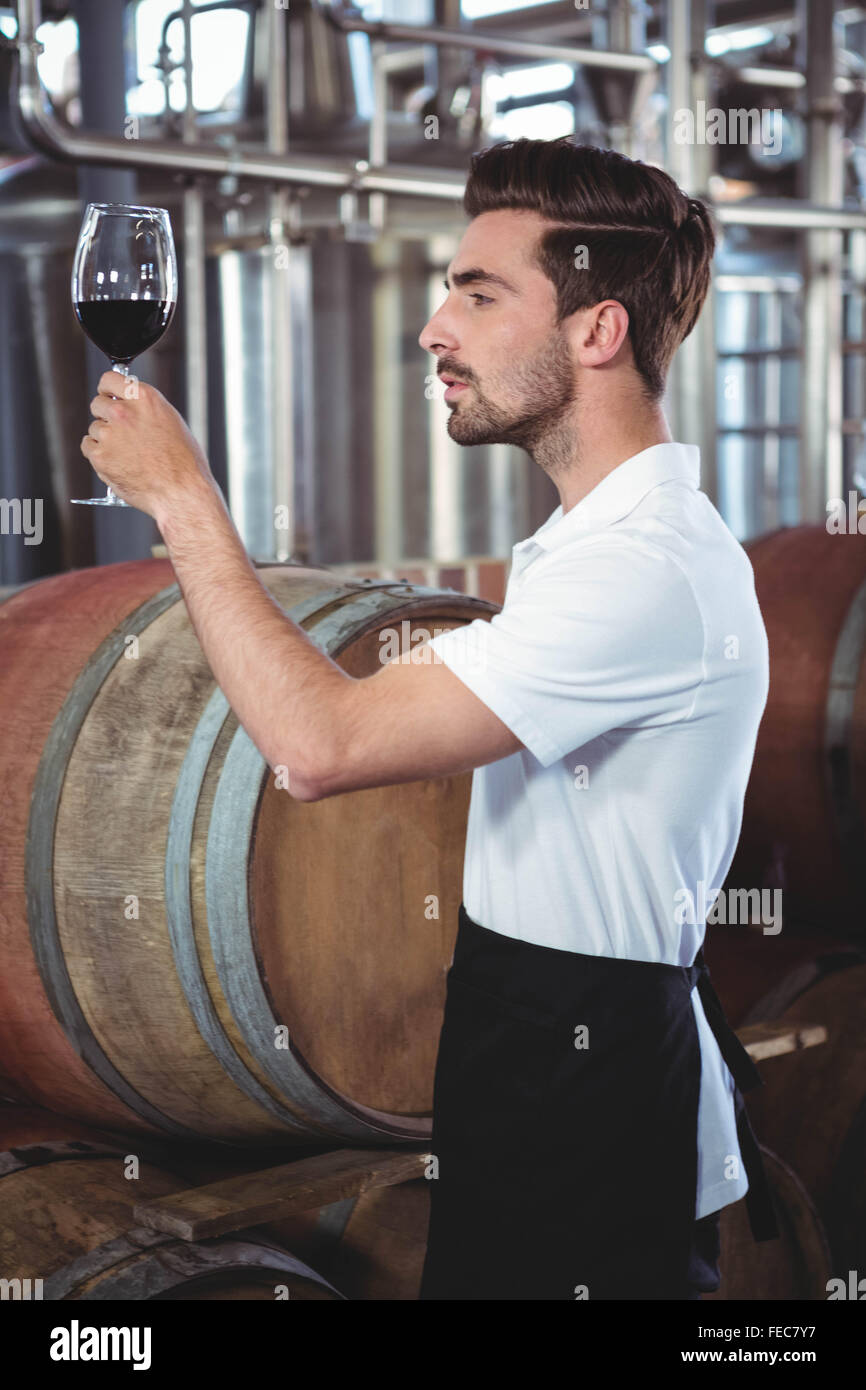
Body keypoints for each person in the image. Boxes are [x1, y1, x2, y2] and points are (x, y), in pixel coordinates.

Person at [81, 136, 779, 1303]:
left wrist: (182, 500)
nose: (432, 329)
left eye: (477, 290)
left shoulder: (645, 573)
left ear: (595, 330)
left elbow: (319, 745)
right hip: (532, 1044)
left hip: (589, 1072)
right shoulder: (592, 552)